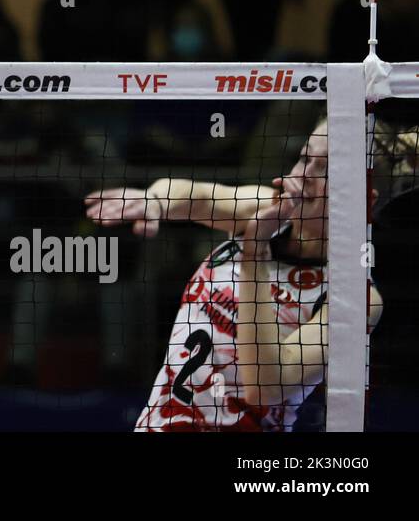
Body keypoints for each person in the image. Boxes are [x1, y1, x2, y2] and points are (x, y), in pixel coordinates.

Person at [83, 122, 382, 431]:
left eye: (326, 171)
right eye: (305, 158)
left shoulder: (356, 296)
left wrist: (256, 255)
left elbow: (268, 387)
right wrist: (155, 200)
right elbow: (197, 196)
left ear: (364, 199)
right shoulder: (264, 206)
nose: (305, 174)